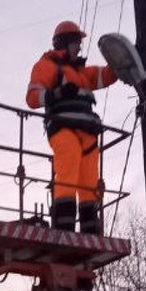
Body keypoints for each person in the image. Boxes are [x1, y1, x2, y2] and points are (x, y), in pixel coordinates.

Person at [25, 20, 118, 233]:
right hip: (62, 127)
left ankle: (90, 228)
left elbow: (107, 74)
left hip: (87, 131)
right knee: (69, 166)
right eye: (76, 42)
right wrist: (55, 93)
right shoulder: (46, 67)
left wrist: (125, 59)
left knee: (89, 179)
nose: (79, 47)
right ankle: (64, 226)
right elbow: (32, 98)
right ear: (64, 43)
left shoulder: (82, 73)